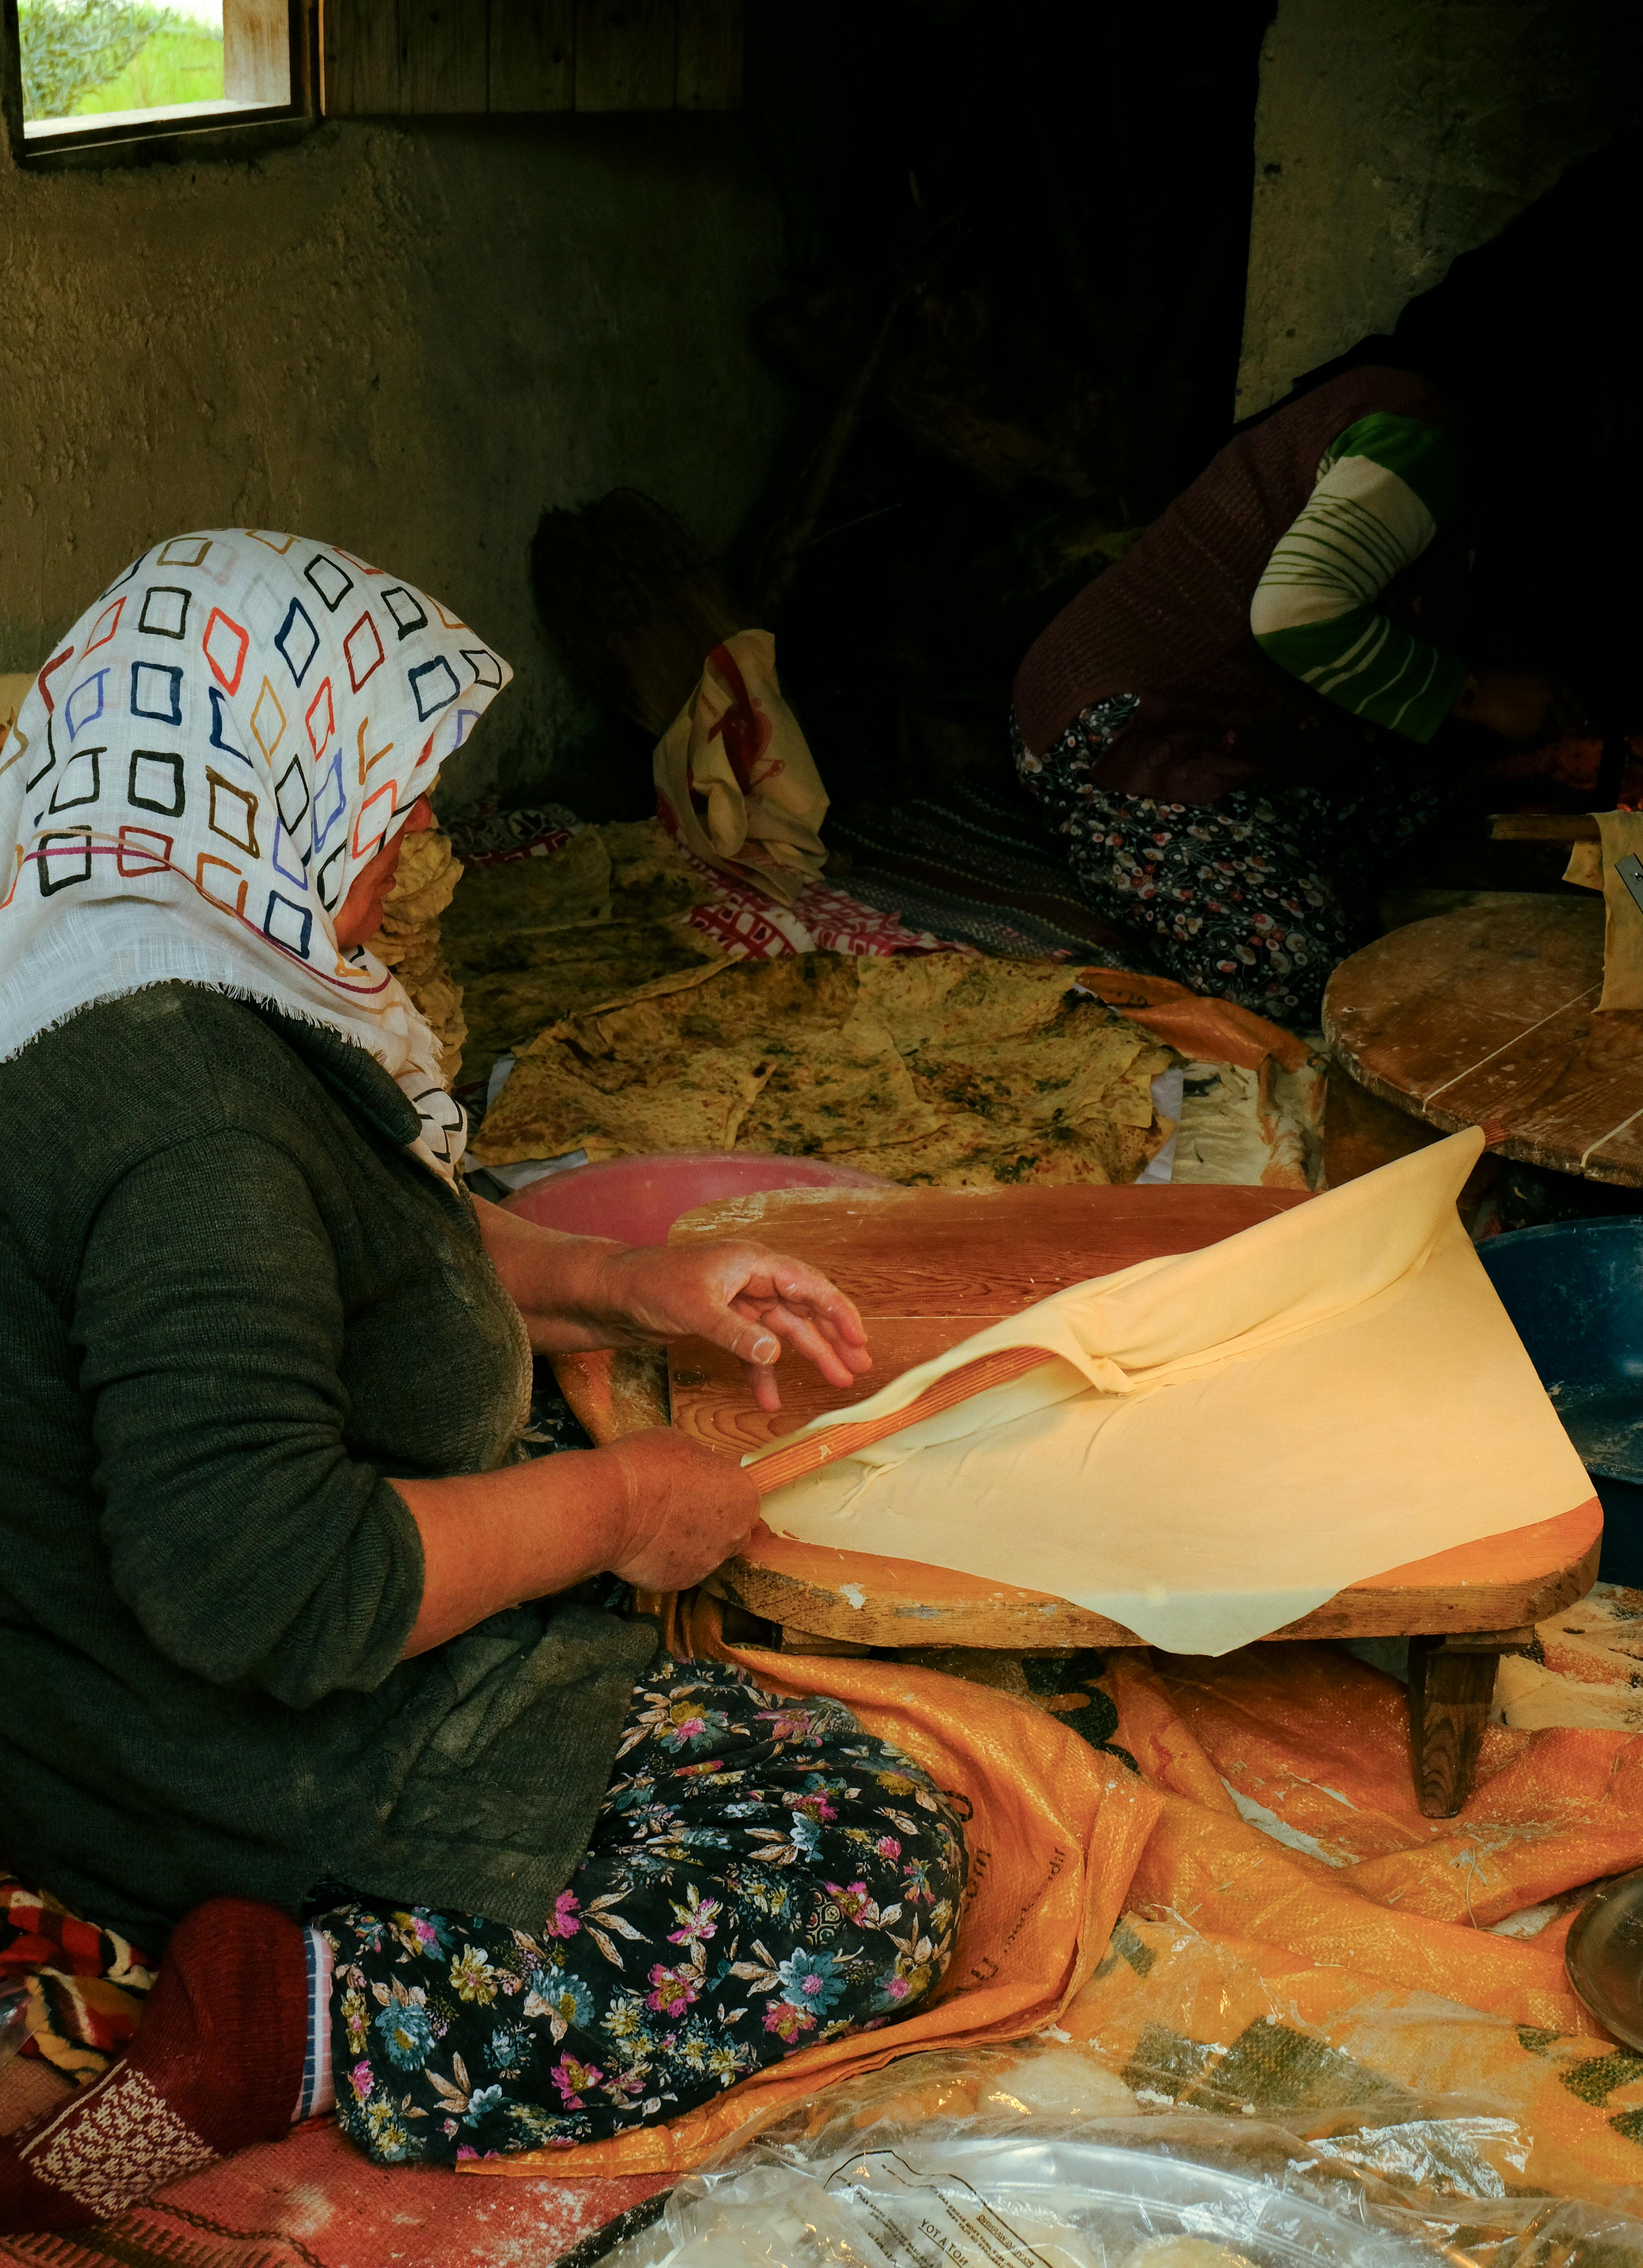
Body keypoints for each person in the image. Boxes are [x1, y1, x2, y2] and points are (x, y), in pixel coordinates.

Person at [0, 531, 966, 2232]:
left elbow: (359, 1235)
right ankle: (295, 2024)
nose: (419, 830)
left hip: (99, 1668)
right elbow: (270, 1586)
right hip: (191, 1736)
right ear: (261, 779)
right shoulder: (188, 1117)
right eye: (387, 789)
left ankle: (303, 1970)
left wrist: (614, 1281)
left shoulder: (111, 950)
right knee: (859, 1861)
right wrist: (616, 1507)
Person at [1012, 365, 1566, 1027]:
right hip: (1126, 732)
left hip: (1244, 728)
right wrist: (1475, 695)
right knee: (1295, 974)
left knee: (1434, 789)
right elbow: (1296, 614)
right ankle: (1146, 856)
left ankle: (1260, 863)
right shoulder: (1410, 439)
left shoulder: (1420, 427)